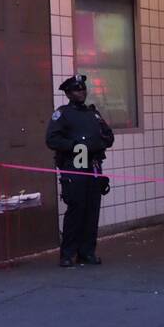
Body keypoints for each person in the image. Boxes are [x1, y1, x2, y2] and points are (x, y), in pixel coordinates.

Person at [45, 73, 115, 267]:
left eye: (83, 88)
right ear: (68, 93)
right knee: (76, 209)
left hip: (93, 165)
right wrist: (76, 145)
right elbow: (52, 140)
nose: (81, 92)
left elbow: (108, 136)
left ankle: (87, 252)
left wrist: (98, 143)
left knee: (92, 210)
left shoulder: (92, 113)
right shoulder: (62, 114)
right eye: (77, 89)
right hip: (75, 164)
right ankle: (68, 253)